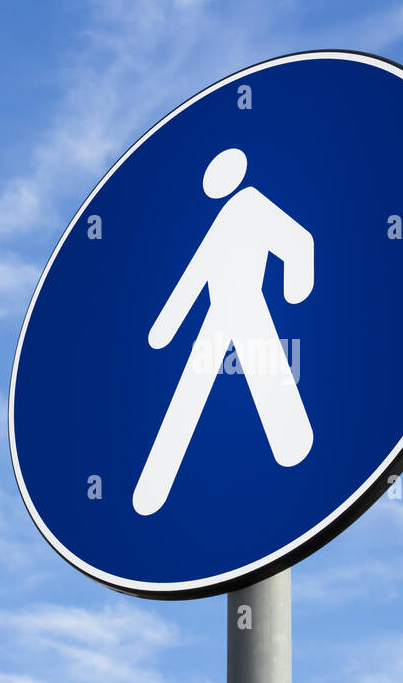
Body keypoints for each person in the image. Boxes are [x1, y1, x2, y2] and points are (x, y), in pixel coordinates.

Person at [133, 148, 315, 516]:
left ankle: (294, 448)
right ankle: (153, 486)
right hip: (219, 313)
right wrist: (165, 327)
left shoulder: (250, 204)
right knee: (190, 392)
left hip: (247, 304)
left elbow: (298, 240)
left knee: (265, 379)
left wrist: (297, 286)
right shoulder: (222, 219)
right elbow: (195, 275)